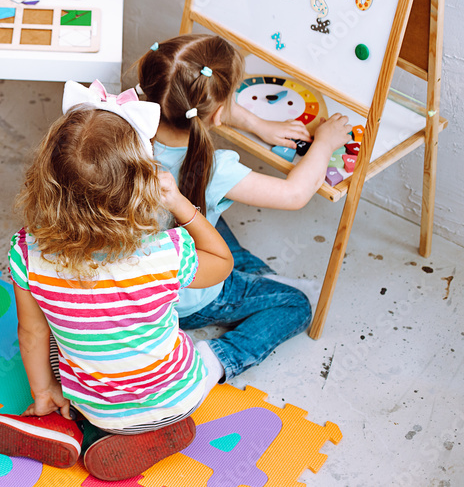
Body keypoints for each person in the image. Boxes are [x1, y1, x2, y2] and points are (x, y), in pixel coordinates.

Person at [0, 81, 233, 481]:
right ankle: (147, 429)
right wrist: (180, 202)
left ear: (45, 181)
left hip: (94, 404)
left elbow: (31, 334)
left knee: (59, 335)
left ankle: (68, 425)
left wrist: (43, 395)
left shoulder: (27, 253)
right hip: (179, 395)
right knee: (187, 345)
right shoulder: (167, 252)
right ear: (143, 184)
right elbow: (222, 263)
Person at [135, 33, 352, 385]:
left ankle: (255, 278)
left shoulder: (122, 122)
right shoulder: (214, 169)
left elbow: (204, 105)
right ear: (216, 113)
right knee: (296, 305)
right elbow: (295, 194)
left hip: (141, 261)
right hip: (186, 298)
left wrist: (261, 125)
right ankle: (219, 359)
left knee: (203, 216)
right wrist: (324, 143)